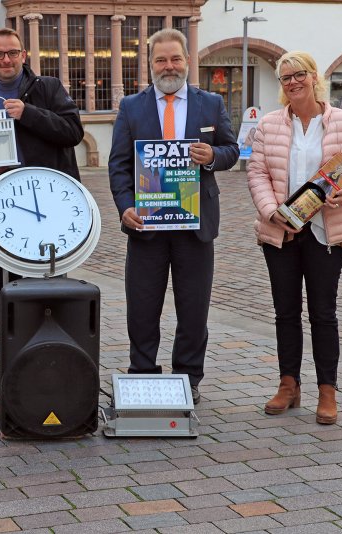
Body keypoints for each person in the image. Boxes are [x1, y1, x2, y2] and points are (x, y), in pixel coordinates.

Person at [108, 28, 239, 404]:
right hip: (147, 224)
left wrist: (212, 156)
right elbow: (119, 165)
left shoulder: (210, 104)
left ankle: (188, 377)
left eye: (175, 58)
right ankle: (143, 374)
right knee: (143, 305)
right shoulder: (132, 107)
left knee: (194, 308)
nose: (169, 66)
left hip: (195, 224)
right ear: (150, 64)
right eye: (160, 60)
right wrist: (125, 206)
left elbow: (231, 150)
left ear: (187, 61)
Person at [247, 51, 342, 424]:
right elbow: (257, 174)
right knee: (285, 312)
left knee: (323, 313)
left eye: (298, 75)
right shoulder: (270, 124)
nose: (293, 83)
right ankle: (289, 385)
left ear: (313, 76)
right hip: (281, 232)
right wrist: (272, 212)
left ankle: (327, 391)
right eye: (285, 78)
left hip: (326, 233)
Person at [0, 28, 84, 325]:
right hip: (1, 209)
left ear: (24, 55)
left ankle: (48, 355)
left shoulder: (48, 88)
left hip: (49, 208)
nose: (6, 59)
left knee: (48, 284)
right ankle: (13, 361)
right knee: (6, 291)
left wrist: (30, 113)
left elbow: (73, 132)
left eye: (12, 52)